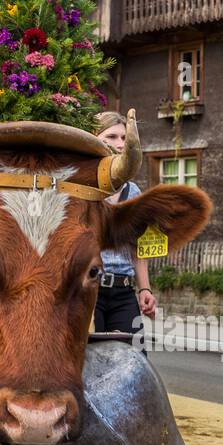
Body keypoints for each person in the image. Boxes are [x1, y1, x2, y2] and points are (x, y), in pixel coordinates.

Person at [93, 111, 156, 336]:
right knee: (89, 360)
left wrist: (145, 289)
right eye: (111, 137)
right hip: (89, 291)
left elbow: (138, 247)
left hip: (123, 291)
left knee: (134, 359)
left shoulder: (133, 191)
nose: (120, 144)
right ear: (94, 138)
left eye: (123, 138)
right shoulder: (82, 189)